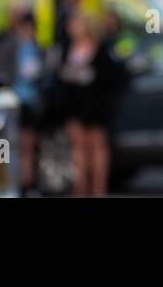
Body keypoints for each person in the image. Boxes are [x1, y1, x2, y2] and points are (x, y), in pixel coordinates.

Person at [57, 12, 123, 196]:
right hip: (75, 104)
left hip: (96, 105)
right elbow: (60, 75)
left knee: (97, 146)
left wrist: (90, 75)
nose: (71, 28)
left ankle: (98, 189)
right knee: (77, 147)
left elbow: (110, 76)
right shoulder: (67, 47)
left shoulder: (101, 48)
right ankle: (80, 187)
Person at [0, 4, 44, 193]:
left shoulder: (37, 47)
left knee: (27, 145)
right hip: (13, 101)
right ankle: (9, 184)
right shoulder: (8, 45)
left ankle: (26, 183)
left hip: (30, 102)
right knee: (8, 146)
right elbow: (1, 70)